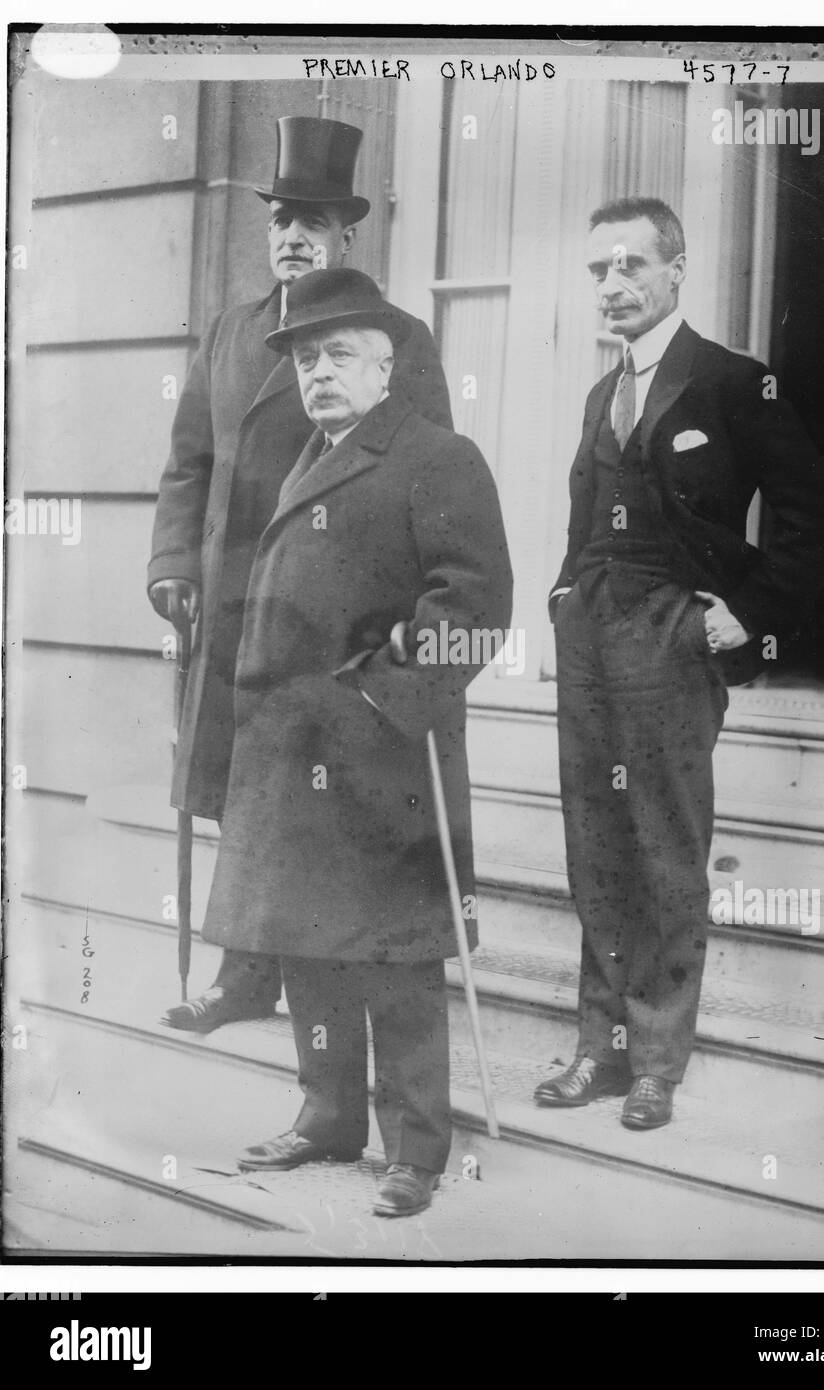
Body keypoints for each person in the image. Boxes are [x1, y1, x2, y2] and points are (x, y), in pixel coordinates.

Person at [196, 268, 512, 1216]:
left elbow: (474, 607)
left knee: (393, 952)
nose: (317, 373)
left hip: (381, 755)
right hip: (291, 750)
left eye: (337, 354)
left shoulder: (434, 456)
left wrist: (384, 702)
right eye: (303, 357)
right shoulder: (304, 458)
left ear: (384, 366)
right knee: (307, 944)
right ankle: (328, 1115)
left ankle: (415, 1145)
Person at [535, 196, 824, 1130]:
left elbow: (814, 516)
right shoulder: (601, 393)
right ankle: (600, 1047)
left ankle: (656, 1061)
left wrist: (744, 616)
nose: (614, 284)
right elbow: (584, 522)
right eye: (599, 270)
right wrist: (560, 601)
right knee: (596, 847)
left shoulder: (730, 381)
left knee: (664, 847)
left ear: (675, 271)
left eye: (632, 265)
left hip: (672, 639)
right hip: (592, 638)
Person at [147, 117, 451, 1033]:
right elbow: (187, 462)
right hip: (231, 606)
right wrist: (170, 566)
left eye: (312, 221)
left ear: (345, 236)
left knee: (306, 795)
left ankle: (325, 982)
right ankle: (244, 980)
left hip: (329, 611)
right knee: (242, 793)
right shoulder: (230, 334)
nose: (292, 235)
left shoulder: (397, 337)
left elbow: (422, 469)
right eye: (280, 218)